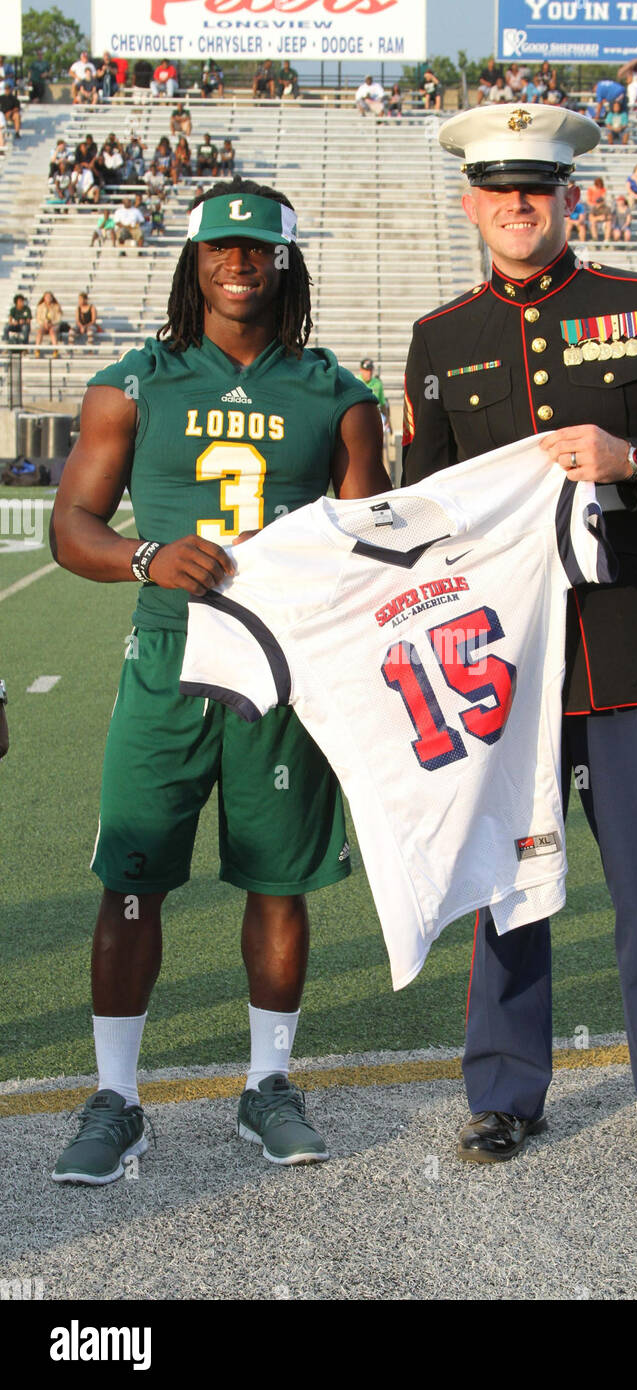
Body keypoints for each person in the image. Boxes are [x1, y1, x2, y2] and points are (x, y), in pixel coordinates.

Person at [405, 104, 637, 1170]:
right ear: (470, 204)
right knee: (505, 885)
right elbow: (420, 513)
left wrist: (629, 460)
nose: (518, 205)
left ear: (569, 197)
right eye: (498, 190)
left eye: (537, 189)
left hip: (636, 654)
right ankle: (504, 1092)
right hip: (504, 674)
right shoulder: (440, 338)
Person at [49, 177, 388, 1185]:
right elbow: (71, 527)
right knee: (132, 882)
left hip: (282, 671)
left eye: (257, 251)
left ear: (286, 264)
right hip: (167, 661)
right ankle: (116, 1096)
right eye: (219, 250)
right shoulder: (132, 384)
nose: (237, 266)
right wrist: (150, 557)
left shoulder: (338, 394)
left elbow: (371, 548)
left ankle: (267, 1084)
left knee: (278, 884)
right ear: (191, 263)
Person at [356, 358, 390, 435]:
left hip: (375, 413)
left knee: (384, 425)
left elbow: (382, 403)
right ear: (361, 370)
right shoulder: (355, 382)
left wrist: (387, 419)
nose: (369, 373)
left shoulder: (378, 383)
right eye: (367, 370)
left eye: (371, 370)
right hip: (359, 414)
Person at [34, 291, 65, 357]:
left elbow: (59, 318)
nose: (48, 298)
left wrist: (52, 323)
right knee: (39, 331)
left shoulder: (56, 306)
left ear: (52, 298)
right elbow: (38, 318)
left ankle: (55, 350)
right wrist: (44, 323)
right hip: (44, 324)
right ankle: (37, 349)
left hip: (54, 324)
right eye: (47, 297)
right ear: (44, 298)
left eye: (49, 297)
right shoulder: (40, 307)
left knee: (52, 332)